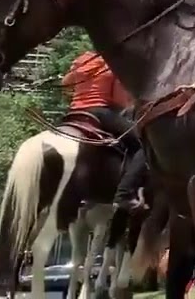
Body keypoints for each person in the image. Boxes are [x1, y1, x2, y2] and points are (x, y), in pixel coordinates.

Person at [62, 51, 148, 210]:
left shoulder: (81, 60)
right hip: (101, 112)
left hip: (75, 113)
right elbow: (119, 101)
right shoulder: (112, 62)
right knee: (143, 142)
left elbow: (65, 84)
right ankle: (125, 193)